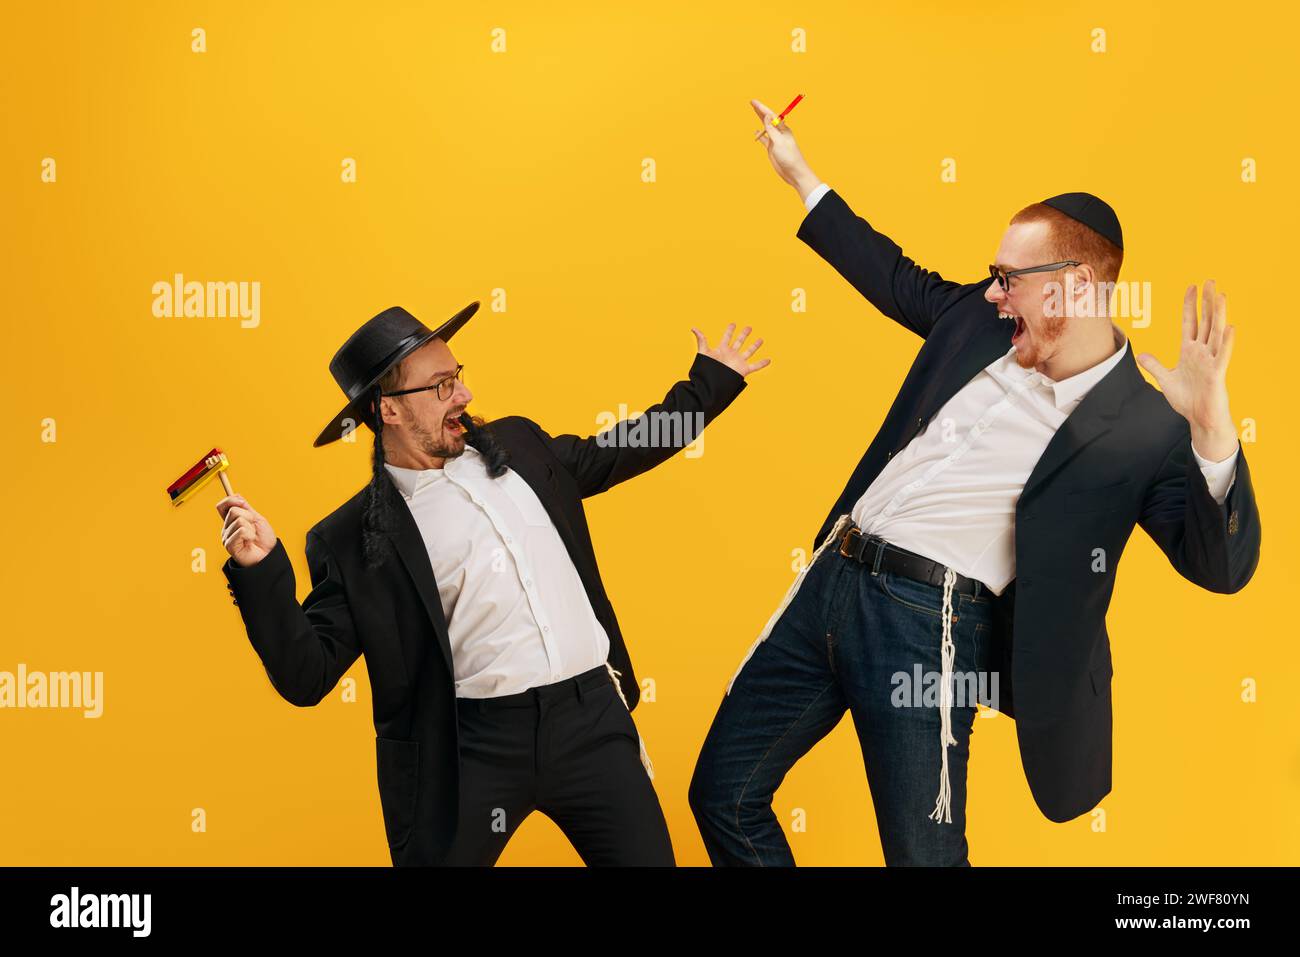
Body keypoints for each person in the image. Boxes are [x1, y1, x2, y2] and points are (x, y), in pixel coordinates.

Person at [687, 99, 1261, 866]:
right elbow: (888, 272)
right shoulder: (979, 323)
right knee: (723, 791)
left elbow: (1219, 567)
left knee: (924, 857)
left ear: (1071, 286)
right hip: (832, 575)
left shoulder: (1142, 427)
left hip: (928, 627)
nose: (992, 292)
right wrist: (799, 174)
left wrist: (1211, 430)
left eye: (1007, 278)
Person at [218, 301, 769, 865]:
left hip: (590, 722)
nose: (463, 396)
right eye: (440, 386)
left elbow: (620, 449)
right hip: (470, 750)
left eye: (458, 377)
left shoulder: (521, 449)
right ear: (387, 410)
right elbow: (306, 675)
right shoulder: (354, 536)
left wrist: (711, 382)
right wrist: (260, 571)